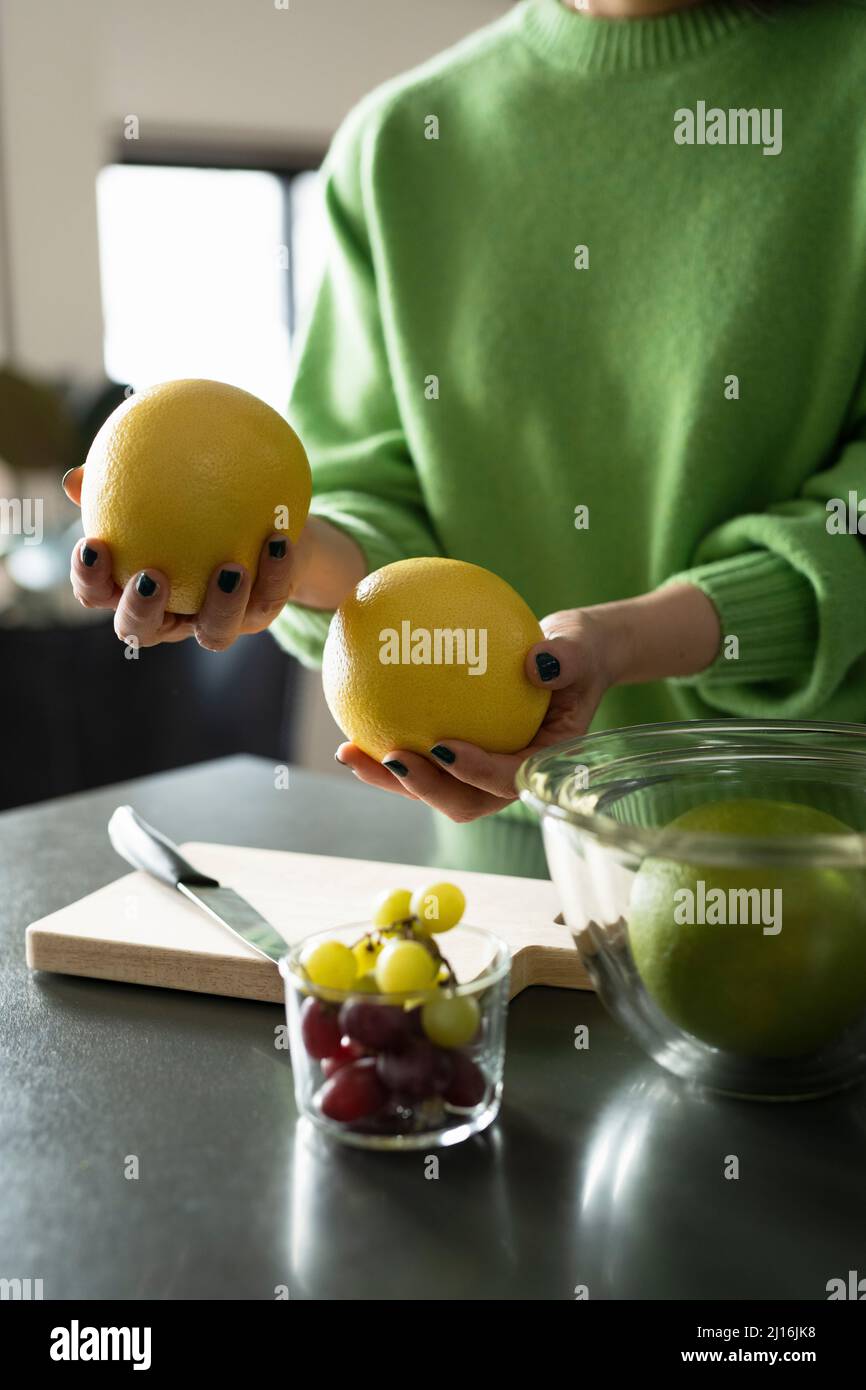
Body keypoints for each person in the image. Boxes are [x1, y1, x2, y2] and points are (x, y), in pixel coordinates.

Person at [64, 0, 866, 875]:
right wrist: (275, 564)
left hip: (817, 871)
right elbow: (376, 509)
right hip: (506, 887)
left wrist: (622, 642)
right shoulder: (402, 144)